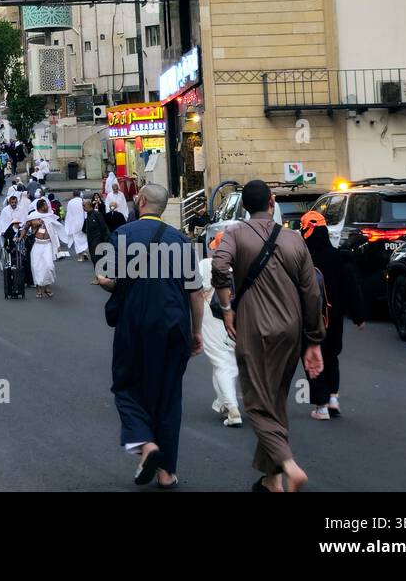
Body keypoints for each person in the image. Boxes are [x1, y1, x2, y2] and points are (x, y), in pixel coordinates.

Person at [210, 180, 324, 493]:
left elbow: (220, 266)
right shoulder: (294, 239)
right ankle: (271, 480)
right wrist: (313, 340)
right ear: (272, 202)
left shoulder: (234, 234)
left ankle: (288, 466)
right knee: (275, 402)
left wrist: (226, 306)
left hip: (254, 327)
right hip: (291, 329)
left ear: (244, 206)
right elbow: (312, 292)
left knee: (257, 405)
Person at [96, 184, 203, 489]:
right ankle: (167, 472)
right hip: (175, 325)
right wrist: (196, 332)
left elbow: (106, 279)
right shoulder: (182, 240)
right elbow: (195, 293)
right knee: (169, 396)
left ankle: (146, 444)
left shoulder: (122, 235)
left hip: (136, 323)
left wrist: (113, 281)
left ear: (140, 201)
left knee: (127, 385)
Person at [297, 209, 366, 422]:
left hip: (312, 319)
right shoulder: (339, 257)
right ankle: (334, 398)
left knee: (312, 359)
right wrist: (358, 316)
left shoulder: (305, 261)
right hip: (335, 317)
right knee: (331, 356)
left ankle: (321, 406)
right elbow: (352, 288)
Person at [198, 250, 242, 427]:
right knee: (228, 358)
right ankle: (223, 402)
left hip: (210, 313)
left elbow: (194, 287)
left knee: (221, 361)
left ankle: (232, 408)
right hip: (236, 314)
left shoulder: (206, 263)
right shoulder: (240, 266)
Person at [27, 198, 59, 299]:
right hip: (37, 244)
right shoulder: (33, 216)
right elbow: (25, 228)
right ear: (41, 207)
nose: (48, 206)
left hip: (47, 245)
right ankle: (39, 290)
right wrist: (19, 237)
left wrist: (57, 246)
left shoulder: (50, 216)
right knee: (37, 267)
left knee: (49, 266)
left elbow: (55, 232)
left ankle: (47, 287)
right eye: (46, 205)